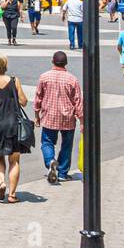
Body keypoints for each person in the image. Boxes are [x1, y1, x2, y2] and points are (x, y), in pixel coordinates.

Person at [0, 52, 30, 204]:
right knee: (14, 161)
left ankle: (1, 182)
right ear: (5, 64)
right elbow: (24, 101)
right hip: (13, 123)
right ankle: (12, 194)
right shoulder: (14, 80)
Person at [34, 50, 83, 183]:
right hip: (67, 117)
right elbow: (78, 101)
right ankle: (62, 172)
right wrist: (82, 119)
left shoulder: (44, 77)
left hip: (49, 115)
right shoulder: (72, 79)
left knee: (47, 142)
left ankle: (50, 160)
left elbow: (38, 97)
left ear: (52, 61)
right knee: (67, 145)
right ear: (66, 63)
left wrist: (37, 115)